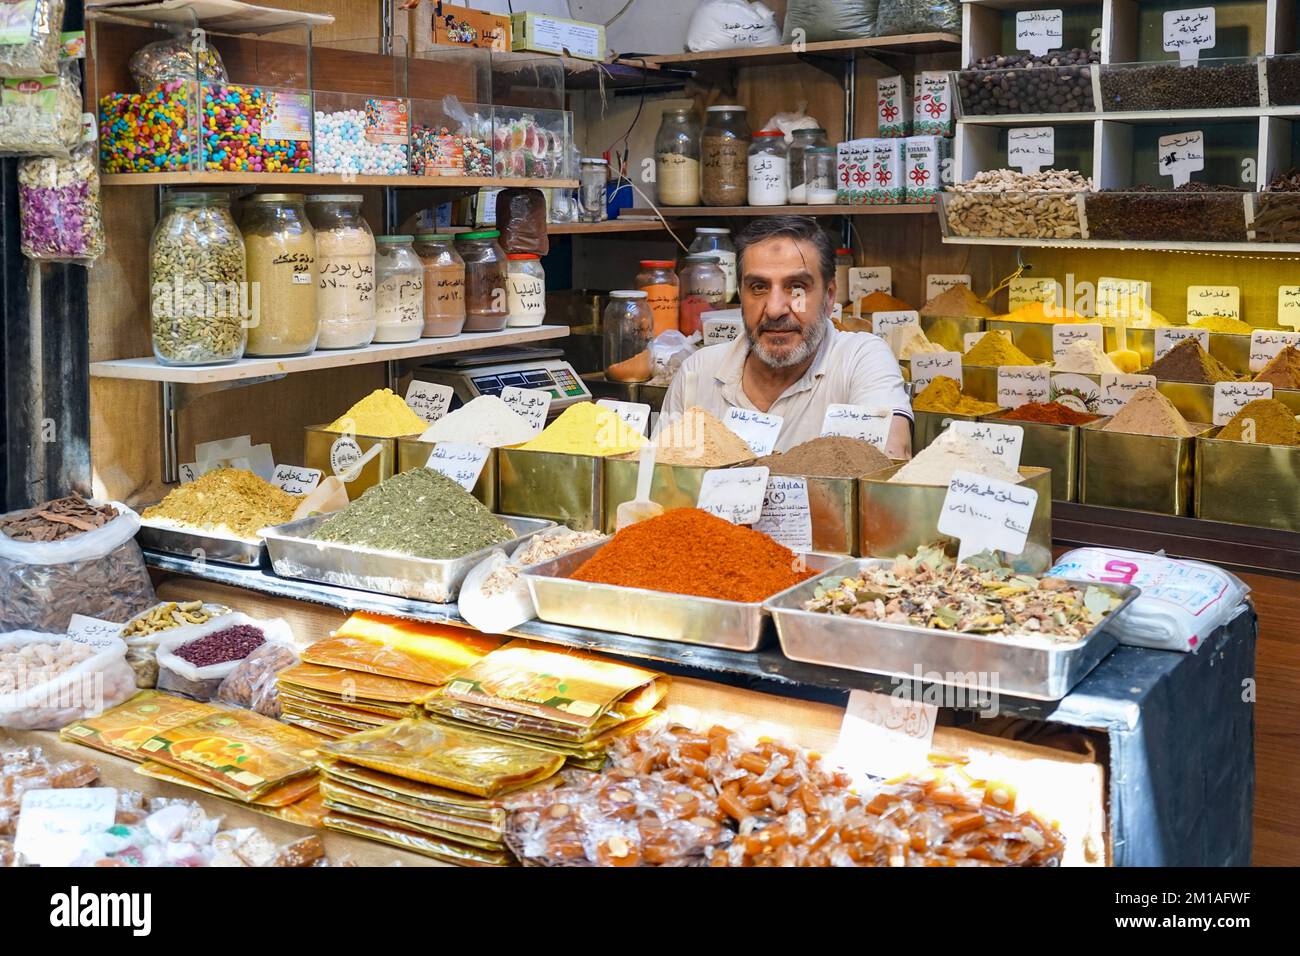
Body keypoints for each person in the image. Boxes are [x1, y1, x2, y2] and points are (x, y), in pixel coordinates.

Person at [662, 216, 913, 458]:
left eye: (797, 288)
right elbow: (659, 482)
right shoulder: (699, 372)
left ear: (829, 297)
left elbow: (887, 458)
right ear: (741, 295)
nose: (774, 309)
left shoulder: (860, 359)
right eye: (758, 288)